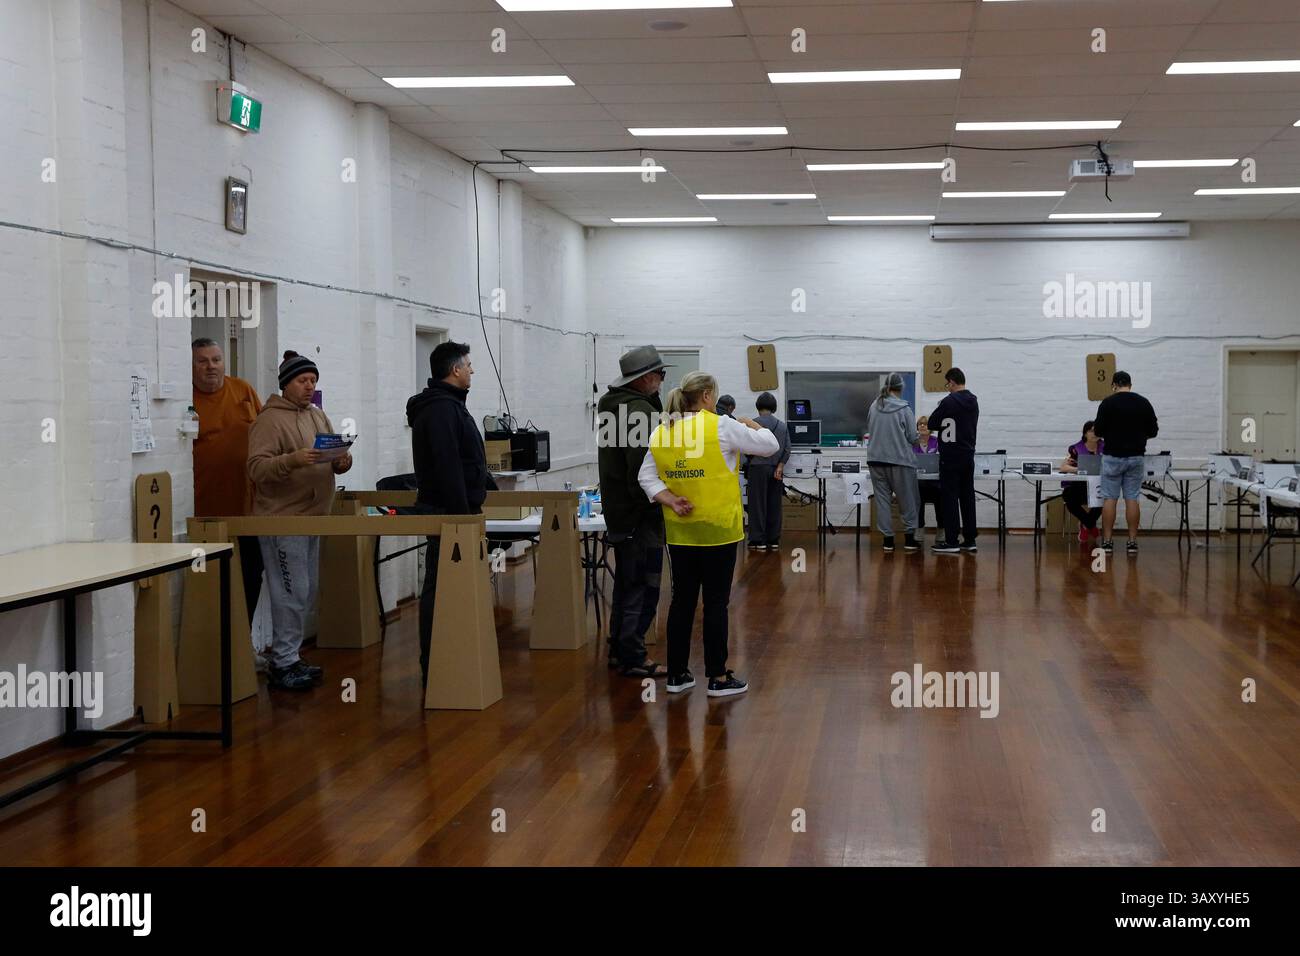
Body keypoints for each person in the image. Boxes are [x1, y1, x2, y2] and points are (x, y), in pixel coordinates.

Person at [639, 371, 778, 698]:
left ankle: (677, 675)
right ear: (705, 397)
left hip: (680, 533)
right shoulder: (721, 426)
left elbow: (646, 477)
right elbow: (770, 447)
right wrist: (754, 426)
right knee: (716, 603)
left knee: (681, 601)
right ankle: (717, 677)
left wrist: (670, 498)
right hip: (718, 530)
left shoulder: (662, 431)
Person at [247, 351, 351, 690]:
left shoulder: (317, 416)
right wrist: (292, 460)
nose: (309, 387)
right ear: (286, 384)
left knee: (304, 589)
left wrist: (341, 460)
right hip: (283, 520)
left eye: (313, 381)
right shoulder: (269, 420)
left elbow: (333, 458)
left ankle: (289, 655)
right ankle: (283, 662)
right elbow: (257, 468)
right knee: (290, 589)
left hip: (314, 517)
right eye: (303, 381)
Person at [406, 341, 497, 688]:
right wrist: (462, 517)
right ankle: (437, 663)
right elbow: (448, 467)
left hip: (458, 510)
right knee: (440, 588)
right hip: (450, 514)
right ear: (455, 370)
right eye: (469, 365)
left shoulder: (449, 406)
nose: (472, 370)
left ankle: (453, 658)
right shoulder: (442, 409)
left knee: (452, 588)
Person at [597, 345, 671, 678]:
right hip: (640, 514)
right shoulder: (639, 411)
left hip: (618, 512)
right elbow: (641, 469)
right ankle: (634, 655)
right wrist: (656, 502)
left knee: (627, 582)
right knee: (643, 584)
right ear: (645, 378)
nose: (661, 380)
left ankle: (619, 648)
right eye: (659, 374)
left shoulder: (613, 406)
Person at [192, 338, 264, 625]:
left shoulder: (243, 390)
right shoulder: (186, 399)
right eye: (203, 361)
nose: (211, 366)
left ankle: (243, 645)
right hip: (205, 512)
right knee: (209, 578)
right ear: (192, 366)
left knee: (251, 572)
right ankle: (213, 646)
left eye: (216, 359)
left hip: (249, 508)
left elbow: (263, 432)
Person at [1093, 371, 1159, 555]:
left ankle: (1107, 542)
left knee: (1110, 499)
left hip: (1112, 457)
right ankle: (1132, 542)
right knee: (1132, 498)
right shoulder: (1143, 403)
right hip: (1136, 457)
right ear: (1130, 384)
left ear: (1114, 385)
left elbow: (1097, 431)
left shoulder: (1107, 403)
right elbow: (1153, 431)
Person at [866, 373, 920, 553]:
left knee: (882, 501)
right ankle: (909, 539)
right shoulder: (905, 409)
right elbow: (912, 438)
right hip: (900, 462)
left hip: (875, 460)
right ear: (901, 388)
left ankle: (887, 541)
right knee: (907, 500)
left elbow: (870, 429)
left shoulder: (874, 406)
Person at [929, 367, 979, 555]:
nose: (947, 388)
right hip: (968, 455)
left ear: (951, 381)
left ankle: (951, 540)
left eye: (947, 384)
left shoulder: (948, 401)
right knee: (967, 497)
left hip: (950, 456)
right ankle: (970, 539)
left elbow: (932, 423)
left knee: (949, 498)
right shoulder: (974, 402)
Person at [745, 392, 790, 552]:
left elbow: (746, 447)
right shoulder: (782, 426)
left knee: (757, 505)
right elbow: (787, 449)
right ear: (774, 407)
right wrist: (780, 466)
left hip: (757, 468)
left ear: (758, 407)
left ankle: (758, 540)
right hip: (776, 469)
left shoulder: (752, 423)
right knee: (774, 504)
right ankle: (773, 540)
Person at [1060, 420, 1105, 543]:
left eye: (1097, 431)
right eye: (1091, 430)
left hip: (1097, 486)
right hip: (1079, 487)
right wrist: (1079, 470)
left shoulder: (1106, 447)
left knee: (1107, 496)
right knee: (1068, 496)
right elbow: (1063, 467)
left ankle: (1086, 525)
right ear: (1085, 433)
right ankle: (1091, 524)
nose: (1094, 433)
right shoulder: (1075, 449)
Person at [912, 414, 942, 537]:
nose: (923, 426)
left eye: (925, 424)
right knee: (917, 497)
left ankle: (941, 531)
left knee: (941, 497)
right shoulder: (912, 442)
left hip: (935, 480)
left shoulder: (937, 441)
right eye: (920, 424)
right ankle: (918, 529)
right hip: (918, 481)